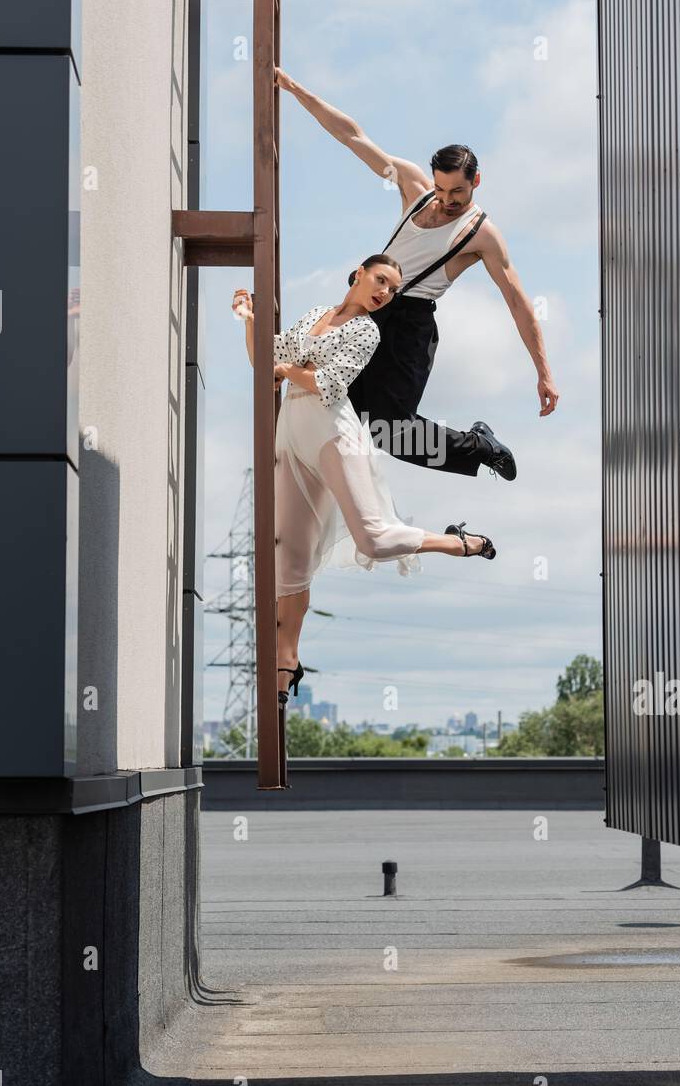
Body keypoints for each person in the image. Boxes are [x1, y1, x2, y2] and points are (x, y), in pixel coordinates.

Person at [233, 256, 497, 708]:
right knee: (289, 558)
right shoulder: (318, 313)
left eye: (391, 290)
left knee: (373, 540)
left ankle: (457, 543)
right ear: (358, 274)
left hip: (334, 435)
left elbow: (331, 385)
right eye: (380, 281)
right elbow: (267, 358)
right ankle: (286, 660)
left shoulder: (367, 331)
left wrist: (284, 371)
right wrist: (250, 320)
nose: (383, 293)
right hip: (292, 433)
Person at [274, 66, 560, 479]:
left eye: (457, 193)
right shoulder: (412, 185)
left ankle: (479, 446)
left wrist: (544, 373)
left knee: (389, 430)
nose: (446, 201)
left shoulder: (482, 235)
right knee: (332, 394)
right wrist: (293, 87)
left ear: (475, 181)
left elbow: (517, 302)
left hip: (410, 325)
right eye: (441, 191)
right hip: (369, 305)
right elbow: (351, 135)